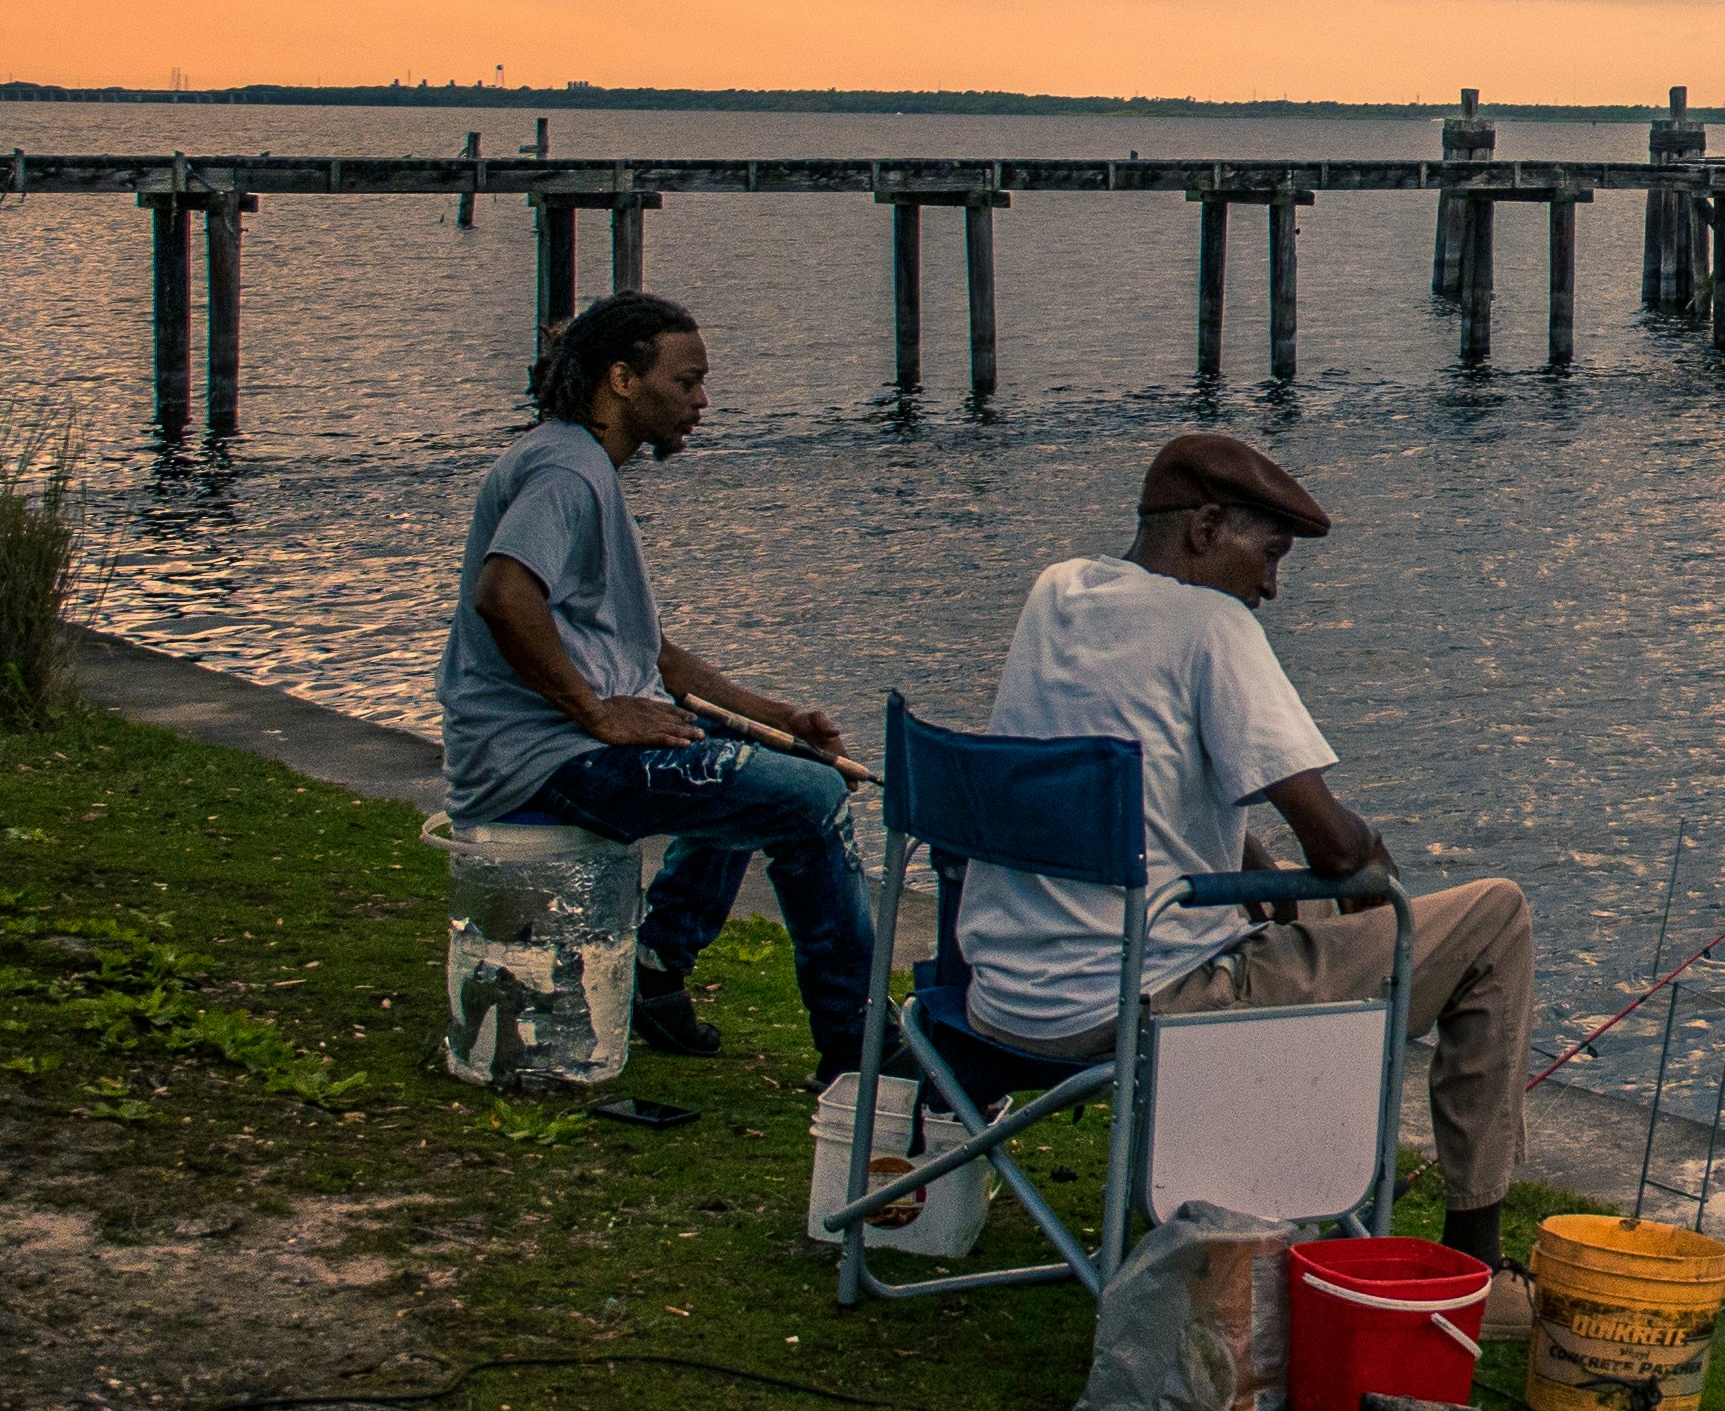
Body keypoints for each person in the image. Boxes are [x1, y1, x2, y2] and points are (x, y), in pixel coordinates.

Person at [954, 434, 1542, 1258]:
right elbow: (1336, 850)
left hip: (1007, 1000)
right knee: (1494, 919)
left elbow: (1130, 791)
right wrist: (1373, 860)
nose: (1269, 587)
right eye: (1268, 555)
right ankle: (1476, 1256)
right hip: (1144, 1006)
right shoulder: (1210, 623)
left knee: (1285, 910)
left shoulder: (1058, 593)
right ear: (1203, 527)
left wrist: (1253, 864)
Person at [435, 292, 876, 1080]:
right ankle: (856, 1049)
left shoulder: (575, 461)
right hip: (539, 762)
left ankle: (656, 973)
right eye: (689, 381)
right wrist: (593, 711)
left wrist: (774, 715)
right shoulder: (569, 474)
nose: (702, 403)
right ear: (622, 381)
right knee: (810, 803)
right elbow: (503, 594)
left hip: (562, 745)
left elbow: (648, 653)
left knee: (747, 762)